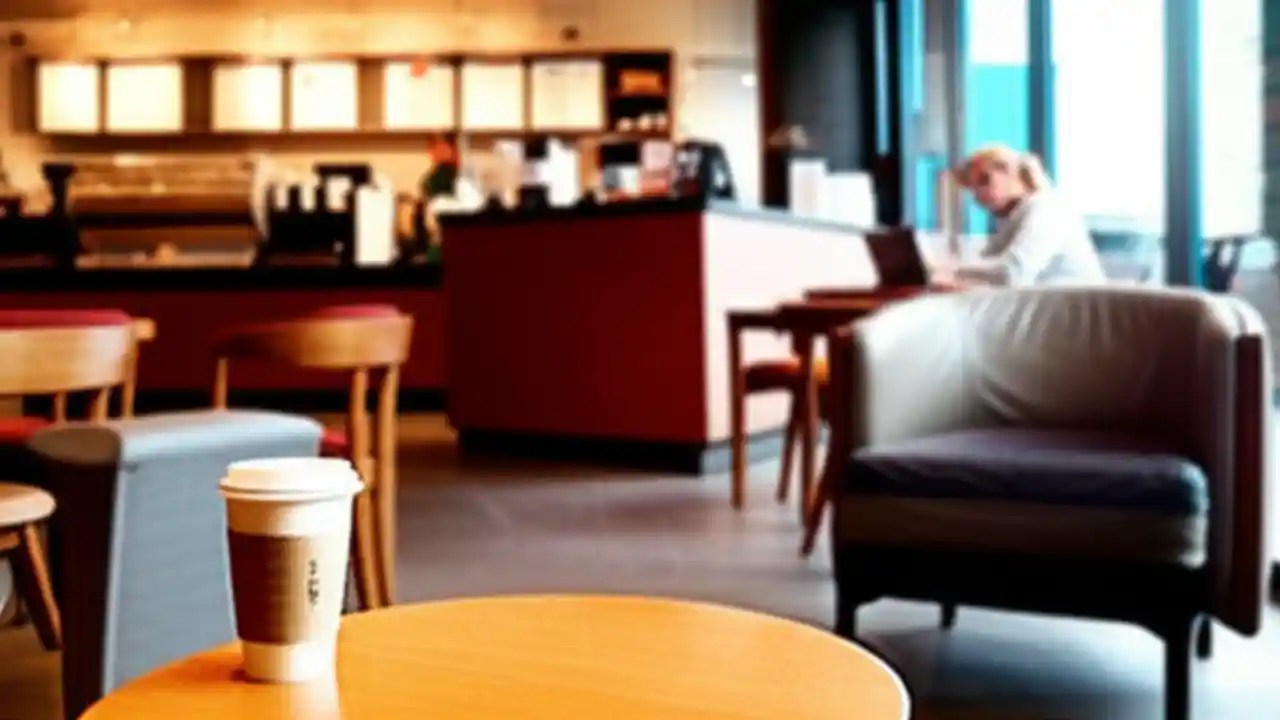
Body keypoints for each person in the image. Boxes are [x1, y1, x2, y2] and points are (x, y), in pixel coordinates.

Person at [952, 144, 1106, 287]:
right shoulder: (1012, 221)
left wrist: (951, 271)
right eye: (973, 189)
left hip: (1077, 312)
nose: (980, 194)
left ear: (1009, 170)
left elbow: (1011, 273)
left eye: (985, 180)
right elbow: (986, 264)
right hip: (1055, 309)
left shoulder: (1049, 210)